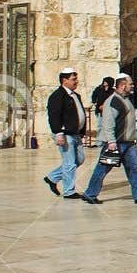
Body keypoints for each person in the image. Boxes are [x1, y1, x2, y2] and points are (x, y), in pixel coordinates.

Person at [80, 74, 137, 205]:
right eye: (130, 84)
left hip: (128, 143)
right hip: (117, 143)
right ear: (122, 85)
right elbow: (108, 122)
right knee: (103, 168)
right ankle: (90, 194)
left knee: (134, 168)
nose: (132, 86)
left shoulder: (125, 99)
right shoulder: (113, 101)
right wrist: (111, 141)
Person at [42, 67, 88, 199]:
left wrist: (81, 131)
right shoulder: (57, 96)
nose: (76, 81)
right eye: (73, 79)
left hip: (75, 133)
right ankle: (69, 191)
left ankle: (52, 177)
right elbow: (54, 116)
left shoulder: (75, 95)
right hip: (65, 134)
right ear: (64, 80)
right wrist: (58, 133)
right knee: (70, 163)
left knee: (79, 159)